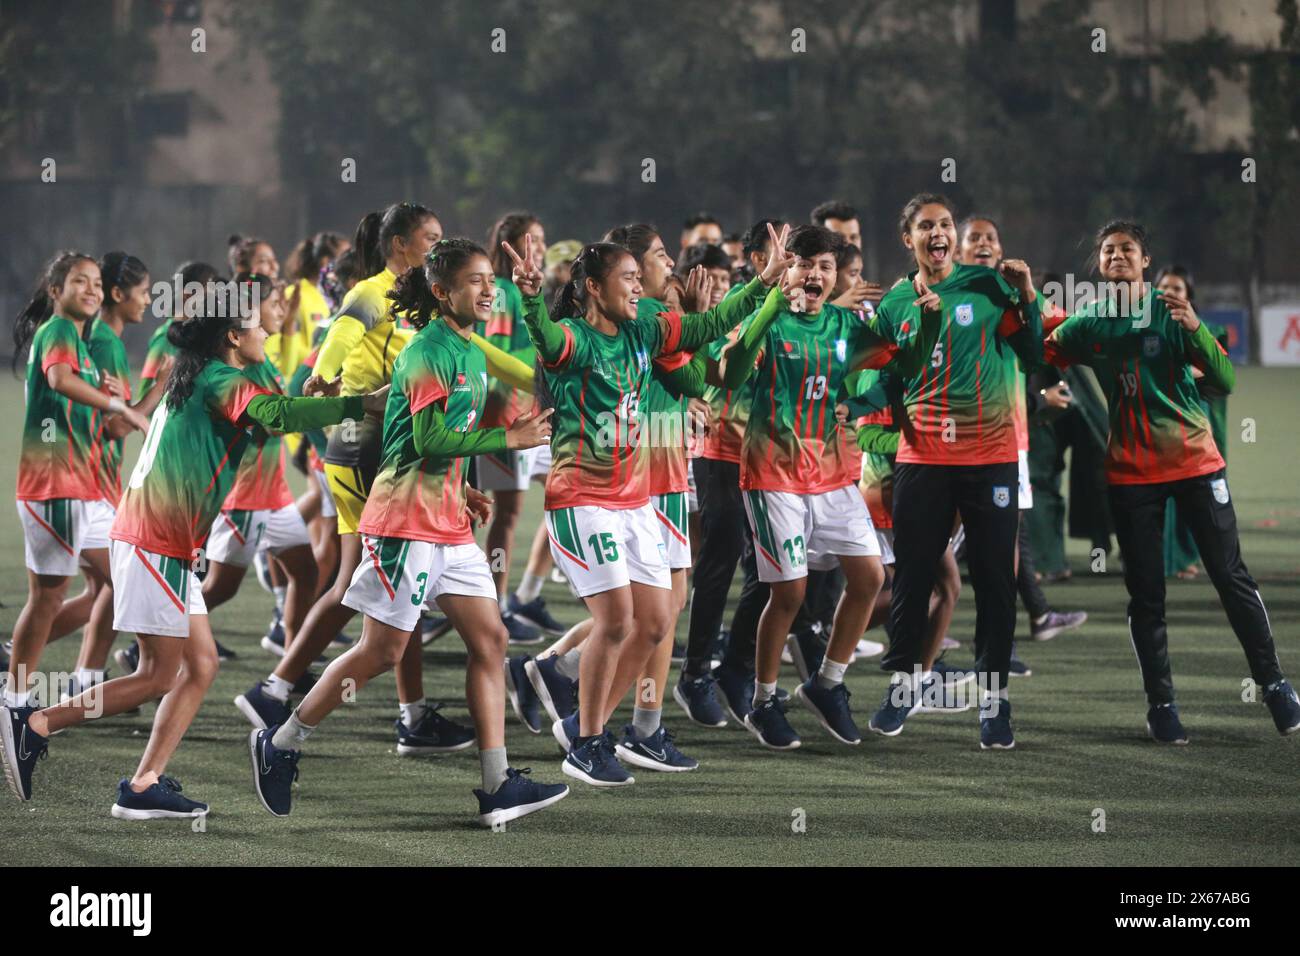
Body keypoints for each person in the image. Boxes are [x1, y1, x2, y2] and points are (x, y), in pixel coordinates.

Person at [2, 276, 383, 814]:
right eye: (256, 327)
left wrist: (314, 399)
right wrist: (357, 404)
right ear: (232, 335)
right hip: (155, 540)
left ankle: (142, 786)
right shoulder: (223, 378)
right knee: (157, 675)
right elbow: (275, 417)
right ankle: (37, 723)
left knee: (200, 666)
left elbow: (270, 419)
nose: (266, 336)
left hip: (161, 542)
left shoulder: (203, 373)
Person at [249, 238, 569, 828]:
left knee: (491, 641)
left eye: (489, 280)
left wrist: (464, 487)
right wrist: (508, 440)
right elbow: (425, 441)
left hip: (444, 521)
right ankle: (282, 740)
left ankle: (498, 783)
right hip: (403, 522)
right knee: (382, 650)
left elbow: (434, 443)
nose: (487, 289)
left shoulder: (471, 348)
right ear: (442, 291)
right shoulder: (427, 351)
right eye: (474, 280)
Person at [512, 227, 787, 785]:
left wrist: (764, 282)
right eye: (629, 278)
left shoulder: (646, 328)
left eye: (642, 276)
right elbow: (544, 338)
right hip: (583, 500)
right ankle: (587, 740)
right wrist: (528, 297)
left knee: (657, 622)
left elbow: (709, 328)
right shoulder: (574, 339)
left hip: (636, 501)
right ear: (593, 286)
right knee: (614, 621)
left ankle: (590, 731)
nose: (639, 287)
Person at [1045, 220, 1299, 741]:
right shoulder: (1091, 322)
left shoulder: (1170, 311)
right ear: (1099, 265)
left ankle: (1275, 687)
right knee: (1146, 595)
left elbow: (1224, 382)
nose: (1118, 256)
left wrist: (1195, 330)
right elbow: (1043, 350)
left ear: (1144, 262)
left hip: (1197, 465)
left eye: (1128, 249)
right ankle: (1162, 706)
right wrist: (1028, 310)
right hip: (1131, 476)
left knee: (1231, 577)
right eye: (1109, 250)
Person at [864, 193, 1043, 749]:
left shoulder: (990, 286)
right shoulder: (894, 304)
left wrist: (1030, 297)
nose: (937, 234)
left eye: (944, 225)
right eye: (925, 227)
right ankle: (905, 685)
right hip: (922, 460)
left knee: (994, 581)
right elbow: (885, 384)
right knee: (912, 579)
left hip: (990, 458)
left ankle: (994, 702)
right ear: (908, 239)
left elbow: (1032, 354)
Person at [719, 224, 900, 749]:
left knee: (869, 576)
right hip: (773, 473)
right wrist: (771, 304)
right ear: (785, 270)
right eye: (804, 264)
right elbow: (730, 379)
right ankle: (763, 700)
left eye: (825, 266)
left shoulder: (844, 324)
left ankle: (826, 684)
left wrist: (861, 406)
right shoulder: (767, 321)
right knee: (789, 593)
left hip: (831, 473)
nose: (815, 274)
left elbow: (896, 366)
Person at [5, 253, 150, 717]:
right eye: (78, 281)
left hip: (80, 489)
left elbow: (92, 411)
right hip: (55, 485)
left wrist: (113, 401)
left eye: (93, 281)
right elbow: (59, 379)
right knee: (51, 595)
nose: (90, 288)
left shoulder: (83, 340)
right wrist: (125, 409)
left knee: (116, 578)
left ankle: (65, 683)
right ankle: (18, 697)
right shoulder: (60, 332)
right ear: (55, 291)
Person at [958, 216, 1087, 658]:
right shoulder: (941, 296)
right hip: (950, 448)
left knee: (1005, 540)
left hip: (1006, 442)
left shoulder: (1017, 296)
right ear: (957, 250)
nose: (983, 243)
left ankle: (1010, 635)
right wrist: (1040, 403)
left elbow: (1066, 329)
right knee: (954, 551)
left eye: (990, 237)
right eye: (973, 238)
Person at [65, 253, 172, 698]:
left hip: (97, 482)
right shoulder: (107, 342)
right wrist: (157, 390)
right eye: (144, 292)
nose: (148, 301)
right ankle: (24, 660)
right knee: (119, 580)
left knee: (100, 592)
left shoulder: (103, 337)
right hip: (89, 482)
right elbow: (114, 425)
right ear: (117, 294)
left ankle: (85, 679)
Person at [1153, 265, 1229, 580]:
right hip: (1154, 419)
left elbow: (1214, 369)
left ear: (1189, 297)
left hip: (1192, 419)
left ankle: (1186, 556)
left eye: (1177, 289)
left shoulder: (1205, 330)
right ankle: (1158, 556)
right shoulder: (1143, 325)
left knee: (1193, 492)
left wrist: (1175, 372)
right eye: (1164, 288)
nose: (1169, 295)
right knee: (1156, 494)